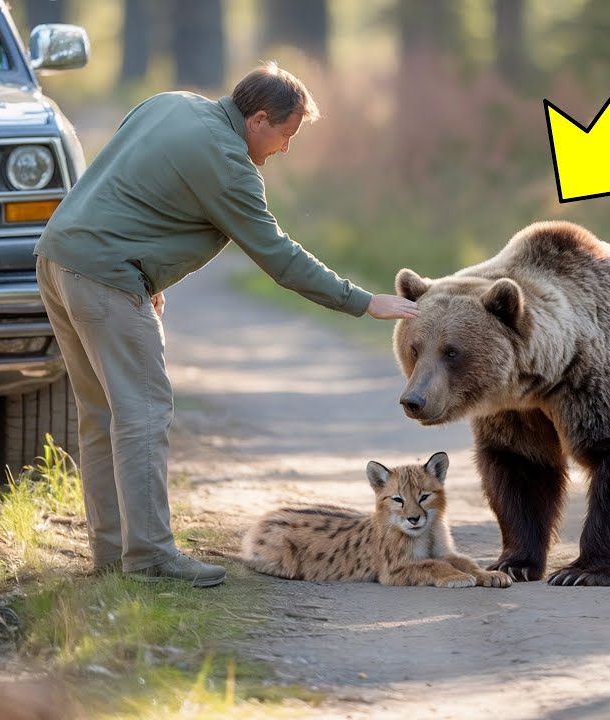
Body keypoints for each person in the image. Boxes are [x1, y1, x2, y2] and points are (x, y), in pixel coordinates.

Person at [34, 62, 419, 588]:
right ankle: (148, 558)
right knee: (144, 414)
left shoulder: (170, 102)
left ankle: (112, 556)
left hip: (59, 259)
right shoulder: (229, 165)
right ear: (259, 119)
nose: (285, 149)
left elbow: (132, 185)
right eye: (287, 135)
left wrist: (151, 272)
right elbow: (279, 258)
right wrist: (361, 302)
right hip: (105, 277)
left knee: (103, 415)